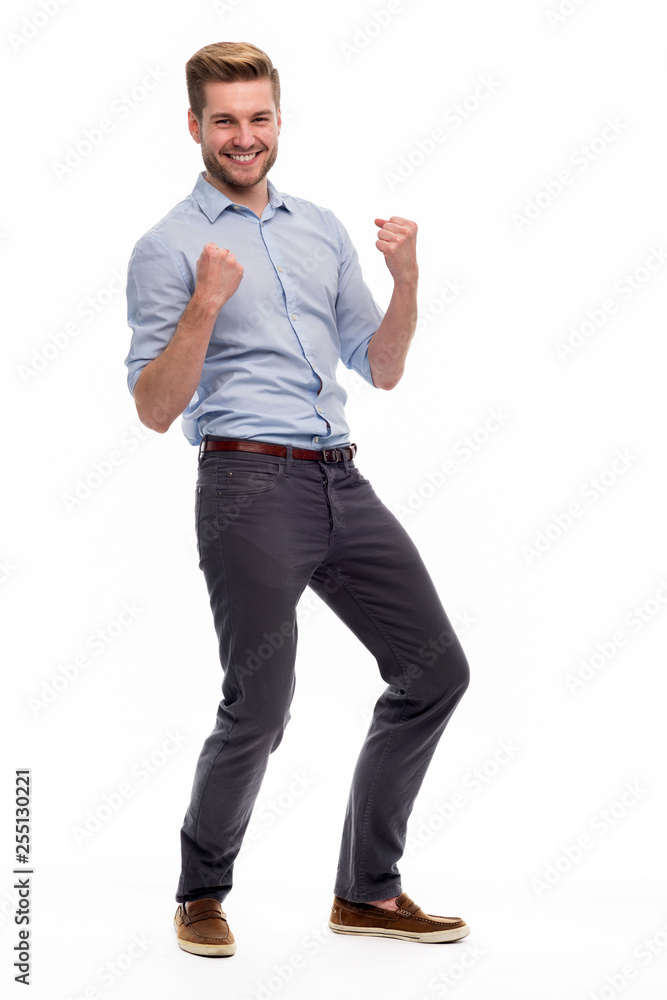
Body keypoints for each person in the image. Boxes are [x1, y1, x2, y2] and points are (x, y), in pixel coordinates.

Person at [124, 40, 471, 958]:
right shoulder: (166, 246)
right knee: (261, 705)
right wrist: (203, 306)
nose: (245, 137)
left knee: (434, 671)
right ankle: (201, 894)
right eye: (226, 120)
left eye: (260, 117)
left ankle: (367, 893)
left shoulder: (318, 227)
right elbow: (155, 409)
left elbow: (381, 368)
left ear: (279, 119)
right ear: (194, 126)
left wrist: (406, 282)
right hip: (246, 483)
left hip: (338, 477)